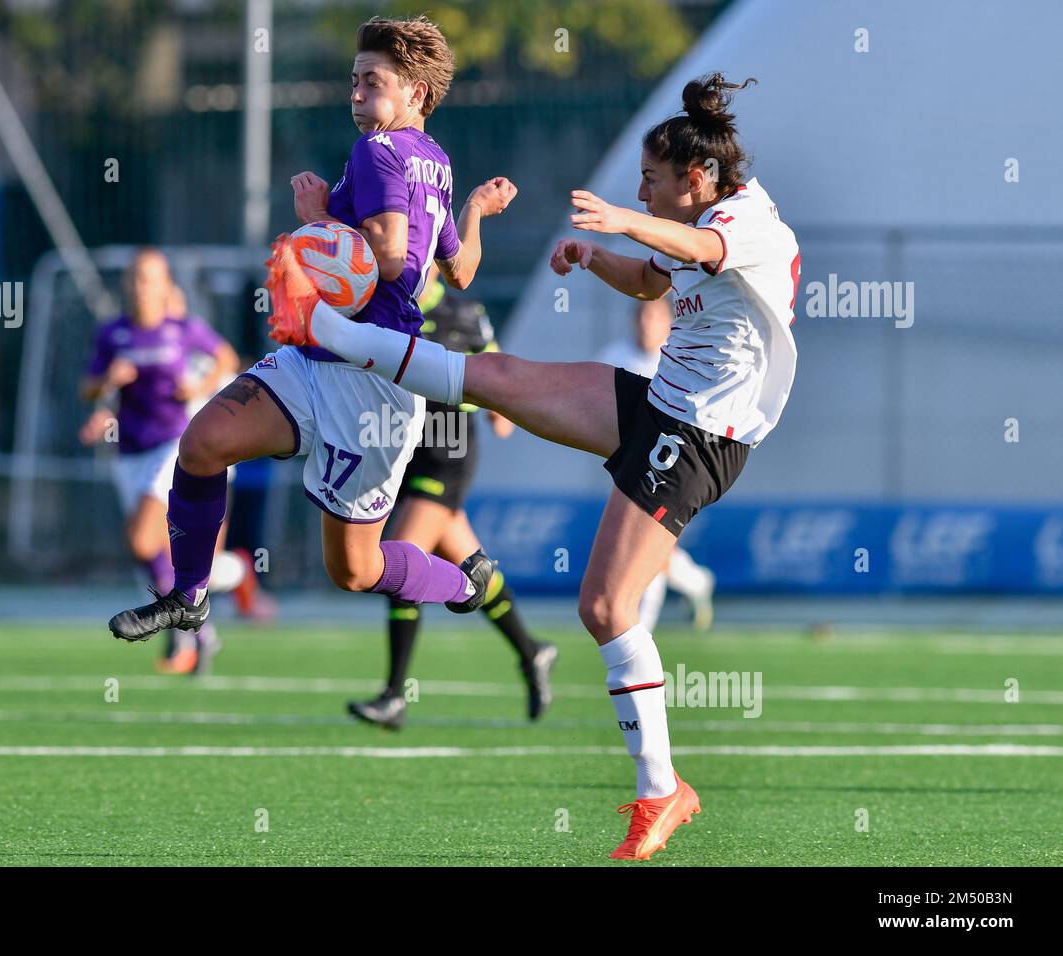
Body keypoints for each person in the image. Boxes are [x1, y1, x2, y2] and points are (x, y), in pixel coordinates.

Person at [265, 73, 800, 861]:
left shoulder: (748, 221)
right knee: (499, 378)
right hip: (660, 402)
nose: (643, 195)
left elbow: (693, 248)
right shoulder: (696, 216)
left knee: (607, 609)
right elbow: (655, 274)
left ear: (695, 179)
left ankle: (663, 790)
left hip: (698, 437)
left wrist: (622, 221)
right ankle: (330, 332)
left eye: (651, 183)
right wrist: (596, 255)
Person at [106, 16, 517, 646]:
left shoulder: (379, 151)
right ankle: (188, 596)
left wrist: (316, 217)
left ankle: (464, 582)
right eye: (353, 82)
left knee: (355, 569)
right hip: (315, 357)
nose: (356, 95)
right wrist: (475, 213)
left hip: (373, 378)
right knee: (203, 443)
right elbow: (458, 270)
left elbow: (383, 257)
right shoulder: (434, 159)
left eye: (371, 82)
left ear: (416, 92)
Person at [347, 267, 557, 730]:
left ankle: (394, 696)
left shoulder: (461, 312)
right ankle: (532, 651)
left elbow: (495, 368)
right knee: (471, 566)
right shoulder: (377, 305)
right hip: (402, 451)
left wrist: (503, 410)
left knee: (401, 557)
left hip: (448, 449)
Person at [82, 249, 258, 673]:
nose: (142, 287)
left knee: (143, 539)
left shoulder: (182, 330)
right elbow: (88, 389)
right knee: (167, 556)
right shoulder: (113, 334)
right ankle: (203, 630)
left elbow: (226, 360)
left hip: (174, 447)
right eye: (136, 278)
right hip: (130, 452)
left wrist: (199, 384)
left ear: (165, 286)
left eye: (150, 278)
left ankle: (186, 635)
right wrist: (107, 386)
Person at [597, 297, 717, 632]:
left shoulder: (679, 361)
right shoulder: (614, 357)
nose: (647, 323)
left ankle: (638, 629)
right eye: (643, 315)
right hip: (626, 466)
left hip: (670, 471)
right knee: (653, 553)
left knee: (646, 550)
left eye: (655, 317)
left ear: (669, 323)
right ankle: (697, 583)